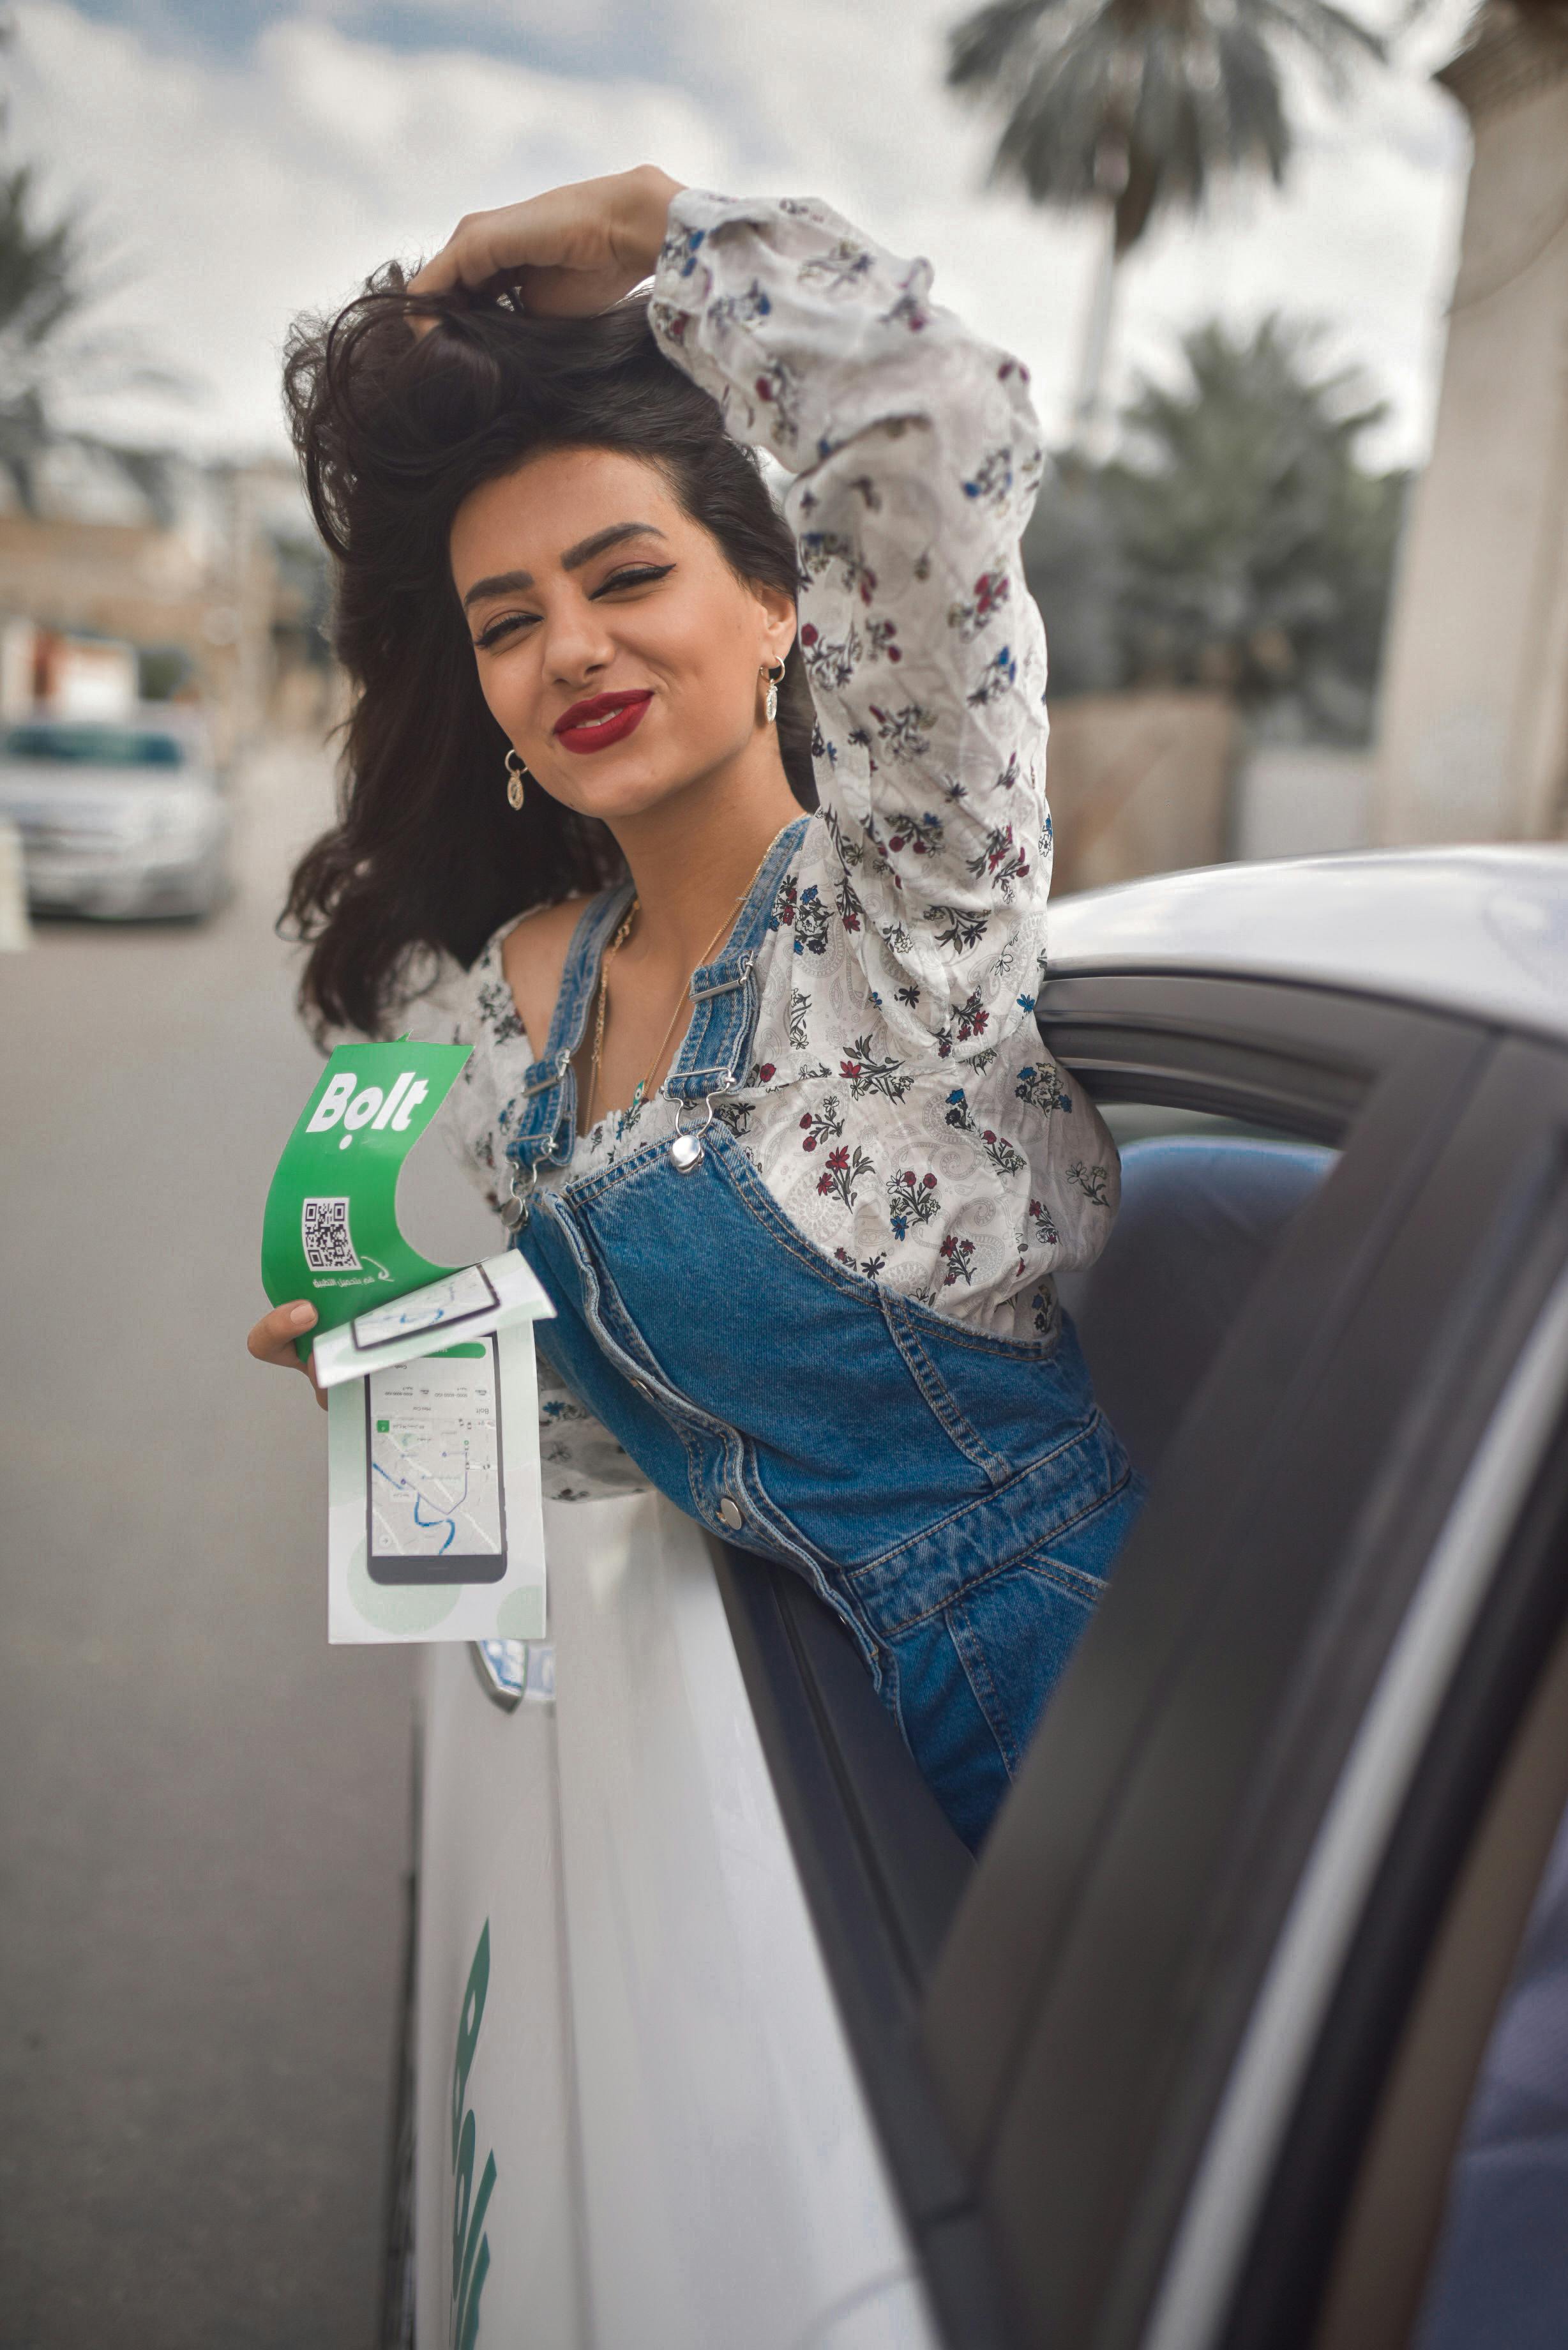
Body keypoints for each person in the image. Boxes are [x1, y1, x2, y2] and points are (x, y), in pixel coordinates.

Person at [247, 165, 1142, 1849]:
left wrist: (652, 231)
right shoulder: (518, 1007)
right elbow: (673, 1439)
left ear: (781, 607)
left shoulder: (908, 903)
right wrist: (405, 1376)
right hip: (778, 1771)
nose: (571, 650)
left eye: (627, 577)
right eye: (509, 624)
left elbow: (935, 420)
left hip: (1082, 1735)